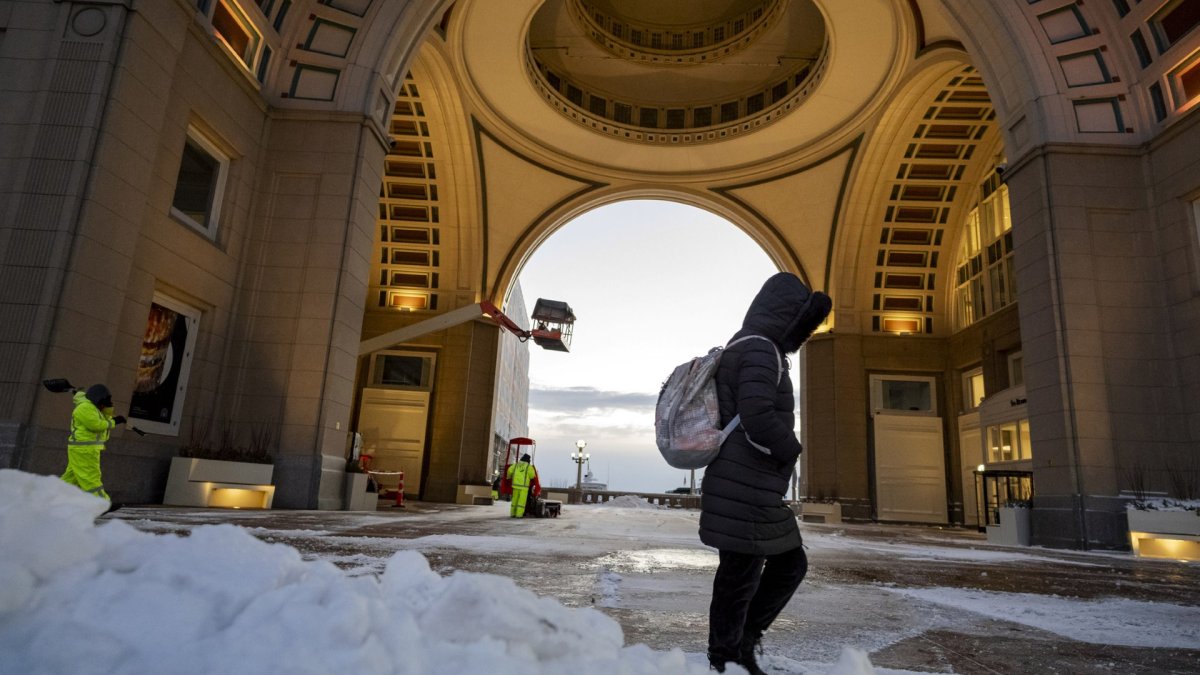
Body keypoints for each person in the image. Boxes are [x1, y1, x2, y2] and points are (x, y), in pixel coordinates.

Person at [700, 272, 832, 674]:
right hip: (746, 479)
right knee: (760, 570)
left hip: (742, 478)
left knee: (745, 571)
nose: (803, 333)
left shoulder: (748, 344)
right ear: (786, 315)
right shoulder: (760, 349)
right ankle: (730, 653)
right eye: (802, 322)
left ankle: (734, 648)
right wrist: (791, 448)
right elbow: (757, 415)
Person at [61, 383, 127, 503]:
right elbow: (96, 425)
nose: (106, 404)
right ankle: (101, 504)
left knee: (71, 478)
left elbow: (105, 419)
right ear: (98, 399)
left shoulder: (93, 408)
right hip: (84, 449)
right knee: (90, 477)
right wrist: (115, 422)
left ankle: (50, 499)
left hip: (84, 448)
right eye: (105, 401)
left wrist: (109, 408)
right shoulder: (85, 408)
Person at [506, 453, 537, 518]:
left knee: (514, 500)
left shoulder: (516, 464)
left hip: (515, 485)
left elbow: (509, 471)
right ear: (528, 460)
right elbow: (532, 476)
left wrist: (509, 477)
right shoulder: (529, 466)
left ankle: (512, 514)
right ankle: (519, 515)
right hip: (524, 487)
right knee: (521, 501)